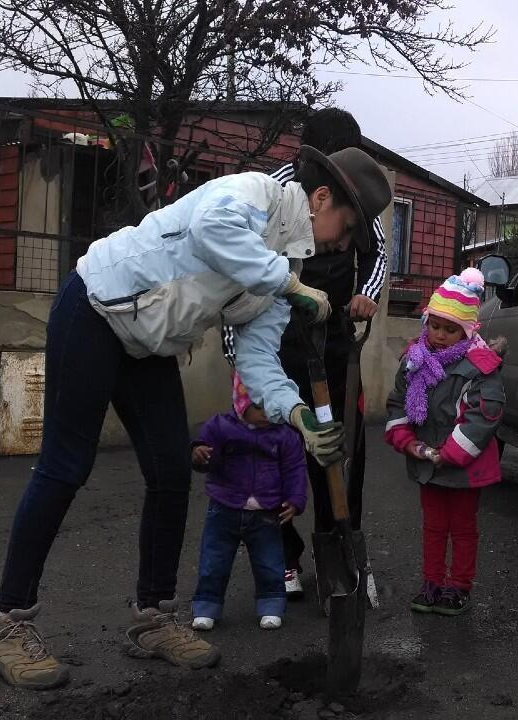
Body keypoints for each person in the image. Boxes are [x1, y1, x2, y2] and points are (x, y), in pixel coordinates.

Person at [0, 145, 392, 690]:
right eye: (347, 226)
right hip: (96, 307)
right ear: (320, 198)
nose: (340, 242)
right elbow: (213, 229)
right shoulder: (251, 195)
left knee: (172, 472)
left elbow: (257, 358)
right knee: (65, 466)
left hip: (148, 346)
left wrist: (299, 417)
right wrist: (287, 284)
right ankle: (5, 623)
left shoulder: (284, 270)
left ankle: (153, 618)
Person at [222, 107, 387, 602]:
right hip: (274, 341)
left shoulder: (353, 197)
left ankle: (340, 547)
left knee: (339, 450)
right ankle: (285, 555)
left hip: (334, 337)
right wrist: (245, 369)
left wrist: (367, 295)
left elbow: (375, 251)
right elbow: (236, 285)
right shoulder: (273, 194)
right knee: (273, 452)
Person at [384, 269, 506, 616]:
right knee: (434, 525)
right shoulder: (414, 361)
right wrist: (405, 439)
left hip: (464, 465)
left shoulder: (480, 367)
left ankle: (459, 586)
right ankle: (432, 582)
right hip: (428, 461)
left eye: (450, 329)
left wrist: (451, 453)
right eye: (435, 325)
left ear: (467, 330)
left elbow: (485, 413)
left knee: (463, 528)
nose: (440, 335)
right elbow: (398, 401)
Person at [188, 374, 307, 631]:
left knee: (269, 562)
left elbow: (295, 468)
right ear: (242, 404)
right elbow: (203, 450)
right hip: (224, 506)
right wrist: (199, 455)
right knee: (214, 560)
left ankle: (271, 605)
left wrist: (295, 500)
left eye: (271, 406)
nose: (266, 413)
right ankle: (207, 606)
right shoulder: (221, 426)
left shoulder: (284, 435)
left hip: (266, 511)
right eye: (259, 406)